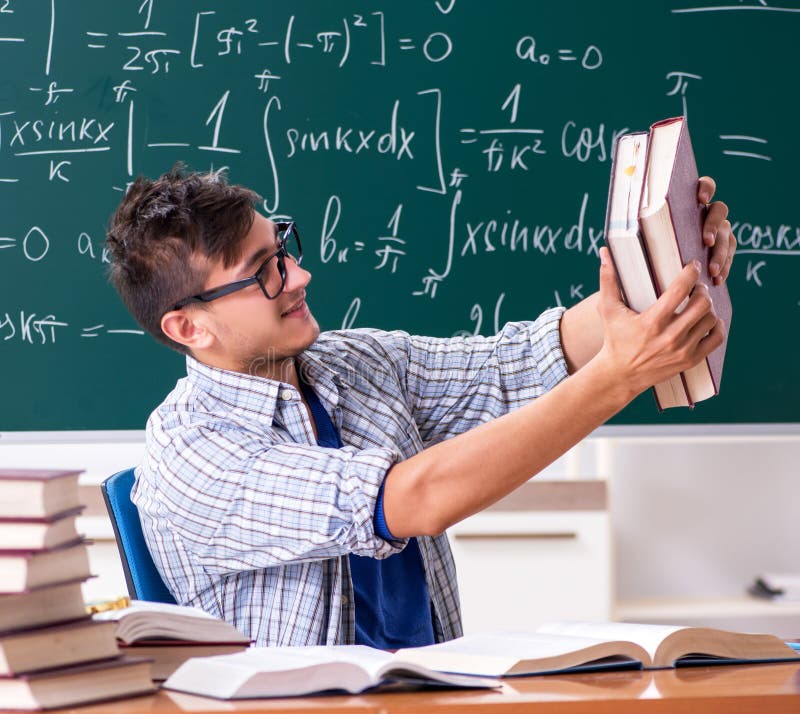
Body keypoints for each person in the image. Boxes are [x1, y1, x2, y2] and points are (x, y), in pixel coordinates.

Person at [106, 166, 735, 648]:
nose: (298, 277)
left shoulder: (356, 364)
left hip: (430, 692)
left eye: (285, 250)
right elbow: (408, 501)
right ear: (189, 328)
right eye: (264, 271)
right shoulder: (189, 456)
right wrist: (618, 379)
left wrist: (665, 270)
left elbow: (519, 364)